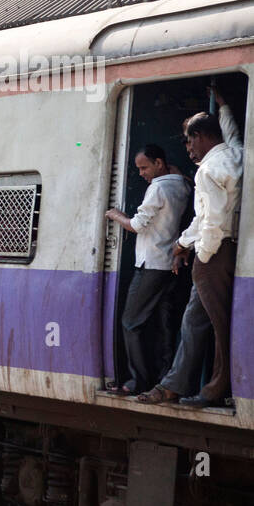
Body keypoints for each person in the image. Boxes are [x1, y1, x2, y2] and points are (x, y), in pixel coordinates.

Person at [139, 93, 243, 406]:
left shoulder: (207, 171)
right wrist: (183, 243)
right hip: (226, 248)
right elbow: (233, 133)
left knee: (214, 323)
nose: (187, 149)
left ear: (199, 137)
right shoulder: (237, 153)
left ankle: (213, 390)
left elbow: (209, 221)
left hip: (214, 252)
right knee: (198, 319)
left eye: (188, 141)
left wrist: (202, 255)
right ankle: (178, 385)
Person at [103, 144, 190, 394]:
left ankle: (138, 381)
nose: (141, 173)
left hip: (150, 263)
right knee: (163, 324)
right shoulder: (182, 184)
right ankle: (163, 379)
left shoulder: (158, 187)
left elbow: (139, 225)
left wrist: (116, 215)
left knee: (131, 322)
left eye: (144, 167)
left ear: (159, 163)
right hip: (168, 263)